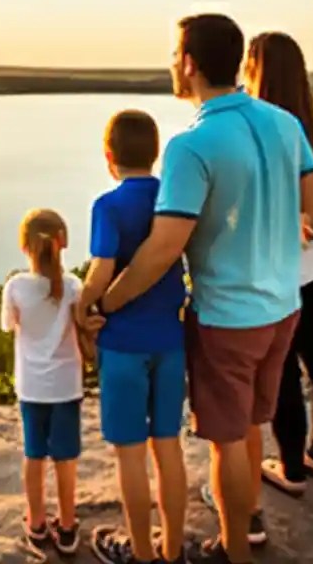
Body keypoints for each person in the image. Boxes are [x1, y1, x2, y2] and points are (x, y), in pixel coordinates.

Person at [101, 14, 313, 564]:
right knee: (253, 422)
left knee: (227, 440)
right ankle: (243, 529)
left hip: (230, 317)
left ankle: (235, 552)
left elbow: (163, 248)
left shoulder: (192, 144)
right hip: (284, 308)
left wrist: (105, 302)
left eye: (173, 54)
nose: (171, 64)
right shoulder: (284, 123)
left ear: (189, 63)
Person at [77, 111, 190, 564]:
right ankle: (173, 548)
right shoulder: (172, 198)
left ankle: (141, 554)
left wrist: (83, 306)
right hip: (170, 340)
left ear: (109, 157)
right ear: (156, 152)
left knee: (129, 454)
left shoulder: (108, 205)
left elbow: (103, 269)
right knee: (169, 447)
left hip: (123, 346)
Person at [244, 32, 313, 495]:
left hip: (273, 274)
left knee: (281, 370)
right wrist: (309, 220)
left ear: (256, 71)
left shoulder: (257, 136)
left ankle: (290, 470)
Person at [1, 208, 85, 558]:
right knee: (65, 458)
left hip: (32, 386)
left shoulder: (16, 287)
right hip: (66, 385)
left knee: (34, 454)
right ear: (62, 243)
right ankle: (67, 526)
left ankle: (36, 523)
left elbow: (9, 326)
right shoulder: (73, 287)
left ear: (25, 247)